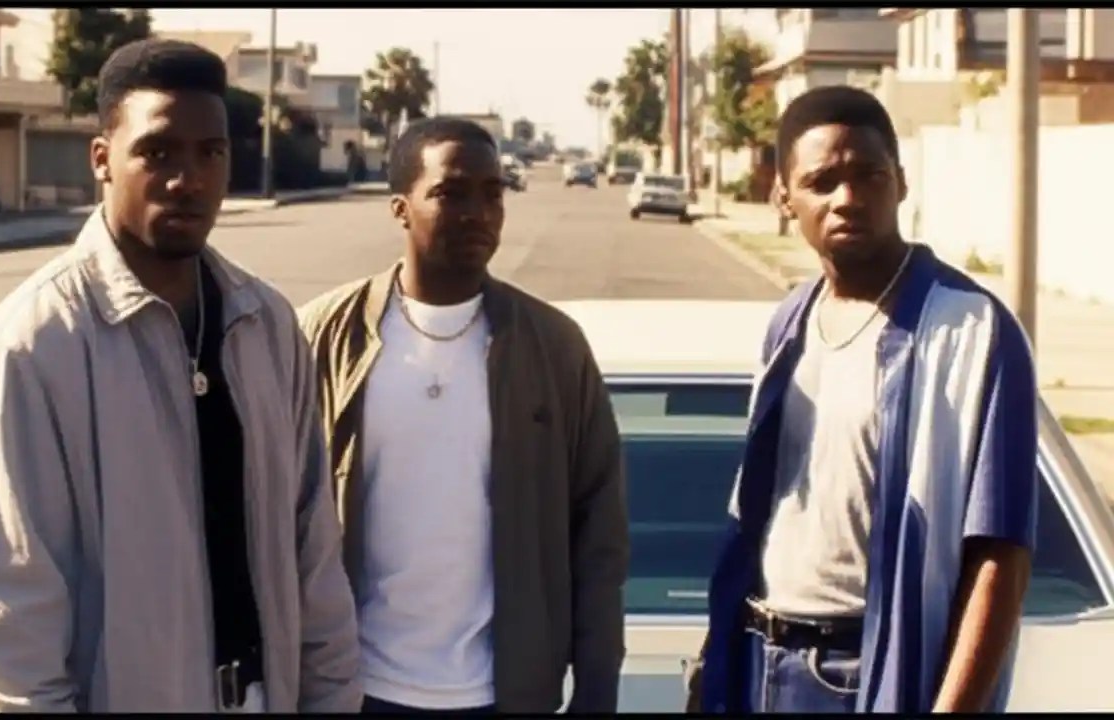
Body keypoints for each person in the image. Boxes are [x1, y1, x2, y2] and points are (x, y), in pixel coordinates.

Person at [0, 38, 360, 713]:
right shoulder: (29, 349)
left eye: (210, 153)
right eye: (158, 152)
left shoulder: (267, 325)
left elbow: (312, 549)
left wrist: (333, 698)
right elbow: (6, 614)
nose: (188, 179)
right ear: (103, 159)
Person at [694, 85, 1039, 714]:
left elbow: (999, 556)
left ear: (902, 183)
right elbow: (754, 517)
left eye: (869, 176)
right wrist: (715, 658)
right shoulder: (789, 323)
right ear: (784, 196)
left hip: (870, 675)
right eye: (823, 181)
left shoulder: (973, 330)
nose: (847, 198)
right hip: (761, 665)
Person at [297, 117, 629, 715]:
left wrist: (598, 689)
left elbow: (598, 533)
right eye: (451, 194)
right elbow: (274, 516)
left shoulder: (553, 347)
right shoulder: (323, 335)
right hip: (353, 689)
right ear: (401, 208)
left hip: (502, 694)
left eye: (492, 193)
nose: (477, 212)